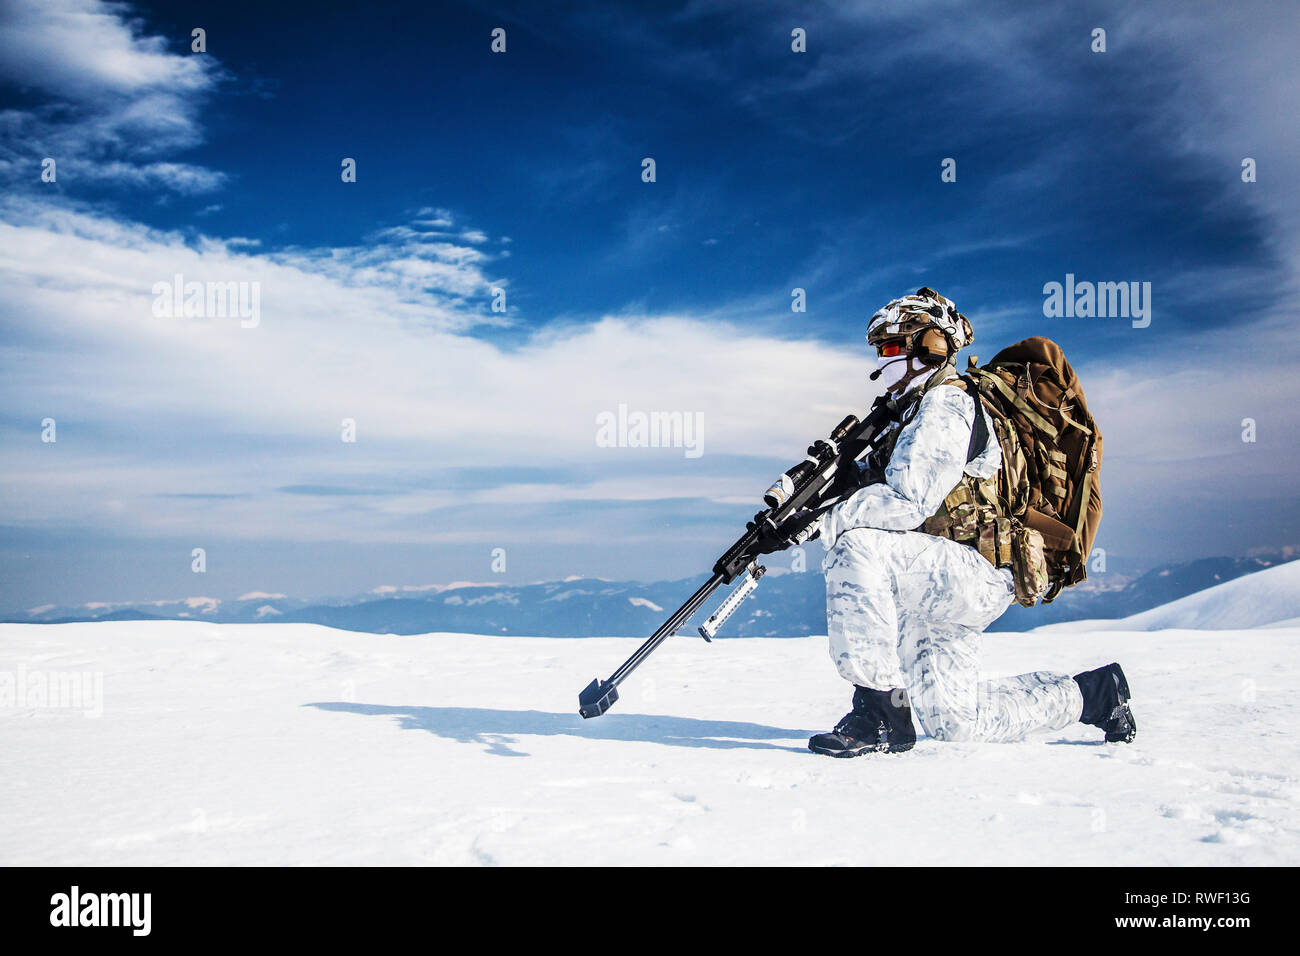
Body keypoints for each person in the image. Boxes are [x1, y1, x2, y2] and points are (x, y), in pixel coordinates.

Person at [807, 287, 1136, 757]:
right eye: (881, 350)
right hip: (944, 580)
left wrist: (825, 520)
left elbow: (907, 500)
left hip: (973, 569)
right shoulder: (911, 416)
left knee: (854, 546)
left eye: (895, 346)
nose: (885, 360)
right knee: (958, 723)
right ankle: (1095, 695)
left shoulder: (947, 405)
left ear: (932, 346)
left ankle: (878, 713)